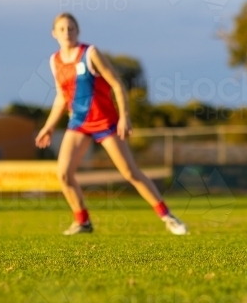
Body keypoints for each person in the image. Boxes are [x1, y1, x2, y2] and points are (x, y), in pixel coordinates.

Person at [35, 13, 188, 236]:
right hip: (78, 123)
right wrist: (48, 126)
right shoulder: (54, 61)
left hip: (105, 122)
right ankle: (83, 222)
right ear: (54, 33)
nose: (67, 33)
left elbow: (117, 84)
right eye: (62, 29)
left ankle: (168, 217)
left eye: (71, 28)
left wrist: (124, 117)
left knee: (130, 173)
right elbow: (61, 96)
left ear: (78, 31)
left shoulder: (90, 53)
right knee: (64, 174)